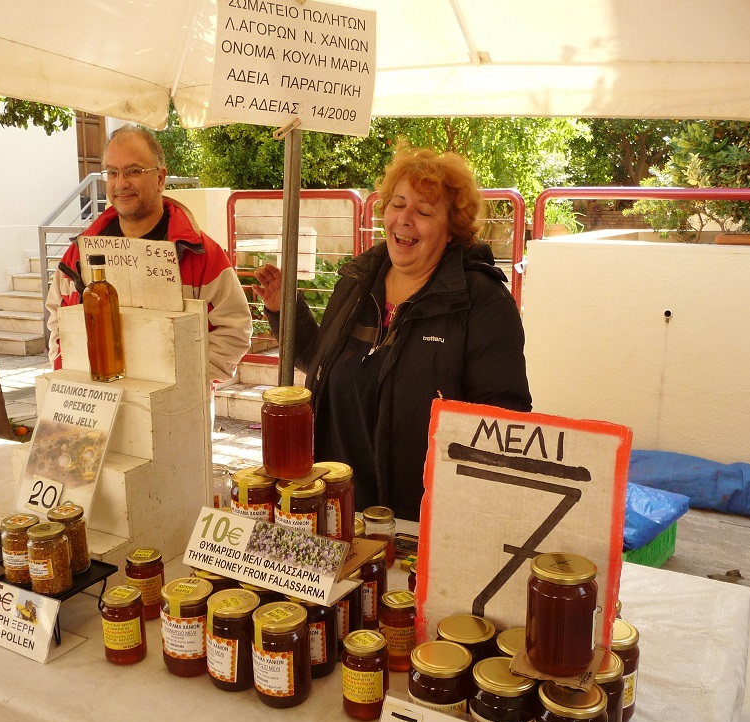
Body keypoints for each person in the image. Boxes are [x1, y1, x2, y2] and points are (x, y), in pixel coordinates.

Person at [252, 147, 532, 521]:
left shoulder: (481, 302)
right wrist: (283, 310)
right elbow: (319, 363)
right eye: (398, 204)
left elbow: (502, 421)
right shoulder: (358, 281)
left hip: (422, 519)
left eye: (425, 211)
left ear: (452, 229)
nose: (405, 219)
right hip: (337, 507)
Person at [46, 125, 251, 383]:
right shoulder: (79, 253)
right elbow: (58, 318)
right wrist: (71, 374)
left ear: (160, 178)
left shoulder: (203, 255)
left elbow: (234, 331)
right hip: (97, 404)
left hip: (176, 411)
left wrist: (184, 384)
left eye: (133, 171)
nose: (121, 183)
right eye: (112, 172)